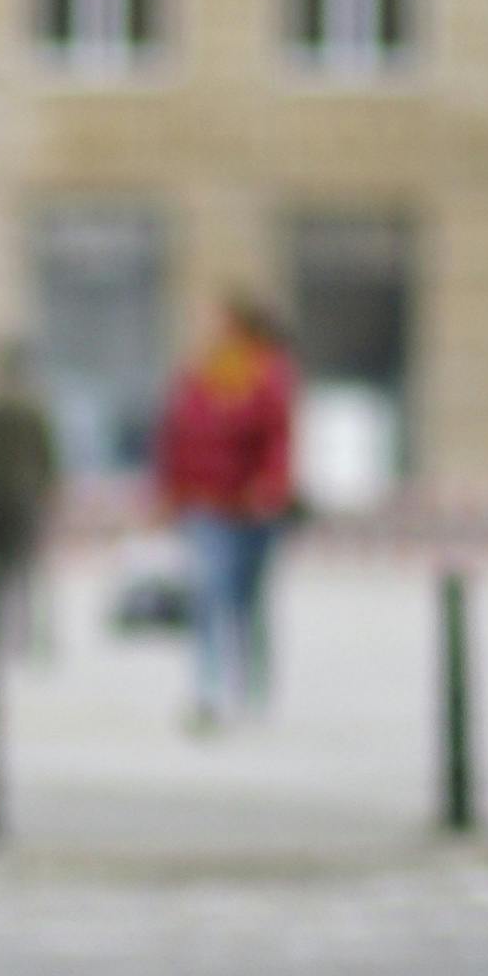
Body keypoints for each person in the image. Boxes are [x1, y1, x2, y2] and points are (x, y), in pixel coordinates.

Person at [154, 294, 295, 729]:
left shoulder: (267, 373)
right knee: (209, 593)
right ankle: (208, 688)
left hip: (254, 508)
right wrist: (168, 491)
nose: (210, 331)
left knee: (246, 601)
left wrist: (271, 484)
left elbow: (278, 436)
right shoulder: (198, 375)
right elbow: (174, 434)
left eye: (219, 323)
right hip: (206, 503)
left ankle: (250, 685)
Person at [0, 342, 61, 659]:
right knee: (27, 571)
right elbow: (47, 455)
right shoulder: (31, 405)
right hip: (23, 496)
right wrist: (48, 489)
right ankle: (30, 636)